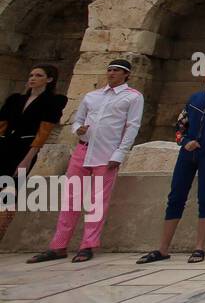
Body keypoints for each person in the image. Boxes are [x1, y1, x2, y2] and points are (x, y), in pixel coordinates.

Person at [28, 59, 144, 263]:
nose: (111, 73)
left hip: (106, 153)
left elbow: (132, 126)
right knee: (70, 199)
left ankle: (88, 245)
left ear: (126, 74)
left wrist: (120, 153)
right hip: (83, 150)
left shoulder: (133, 97)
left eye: (117, 70)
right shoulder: (92, 96)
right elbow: (78, 120)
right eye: (109, 70)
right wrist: (77, 129)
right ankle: (58, 245)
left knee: (98, 201)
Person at [137, 61, 205, 264]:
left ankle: (199, 247)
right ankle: (163, 248)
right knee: (175, 196)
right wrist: (184, 142)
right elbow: (180, 125)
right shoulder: (195, 98)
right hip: (188, 154)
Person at [0, 65, 67, 244]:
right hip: (5, 146)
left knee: (9, 194)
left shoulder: (54, 101)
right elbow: (2, 125)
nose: (33, 78)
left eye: (38, 75)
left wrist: (27, 160)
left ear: (49, 79)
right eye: (31, 75)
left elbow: (43, 133)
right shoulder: (15, 99)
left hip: (25, 149)